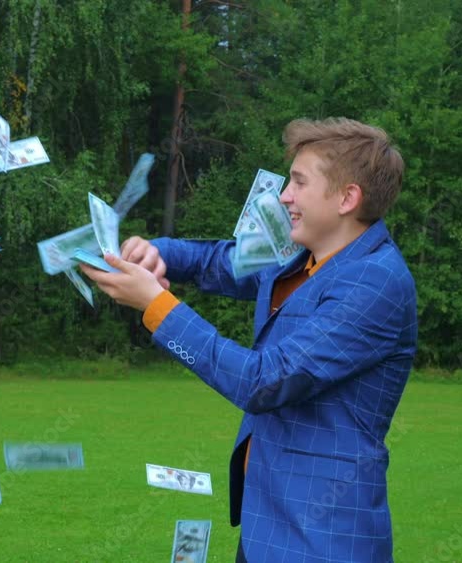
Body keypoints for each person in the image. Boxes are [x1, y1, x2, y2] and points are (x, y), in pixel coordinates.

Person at [81, 118, 417, 562]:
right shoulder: (303, 256)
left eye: (299, 182)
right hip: (267, 527)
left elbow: (263, 382)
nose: (284, 196)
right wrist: (158, 252)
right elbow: (219, 262)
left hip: (323, 538)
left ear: (347, 197)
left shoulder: (375, 281)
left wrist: (156, 306)